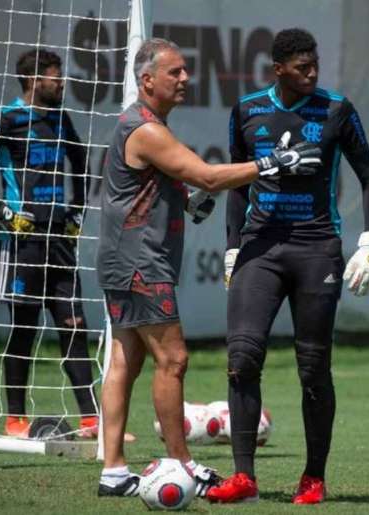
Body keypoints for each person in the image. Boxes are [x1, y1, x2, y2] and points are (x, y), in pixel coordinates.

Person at [95, 37, 321, 498]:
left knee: (125, 359)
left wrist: (188, 201)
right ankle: (182, 462)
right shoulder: (147, 129)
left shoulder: (143, 126)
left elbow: (168, 186)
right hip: (141, 263)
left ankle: (114, 470)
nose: (184, 79)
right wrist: (272, 162)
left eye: (185, 70)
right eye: (174, 72)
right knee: (173, 359)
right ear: (147, 80)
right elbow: (207, 175)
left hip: (123, 259)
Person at [206, 28, 369, 505]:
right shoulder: (247, 110)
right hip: (259, 250)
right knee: (242, 358)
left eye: (315, 65)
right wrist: (231, 247)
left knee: (313, 370)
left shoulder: (336, 110)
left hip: (316, 250)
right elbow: (238, 184)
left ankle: (313, 477)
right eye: (301, 67)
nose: (311, 74)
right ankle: (244, 477)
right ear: (278, 69)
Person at [0, 48, 113, 440]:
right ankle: (15, 420)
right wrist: (2, 212)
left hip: (59, 239)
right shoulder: (7, 119)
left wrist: (76, 210)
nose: (63, 83)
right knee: (25, 327)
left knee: (74, 324)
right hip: (20, 239)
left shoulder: (61, 120)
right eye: (56, 77)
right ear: (34, 80)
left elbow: (80, 160)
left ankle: (93, 421)